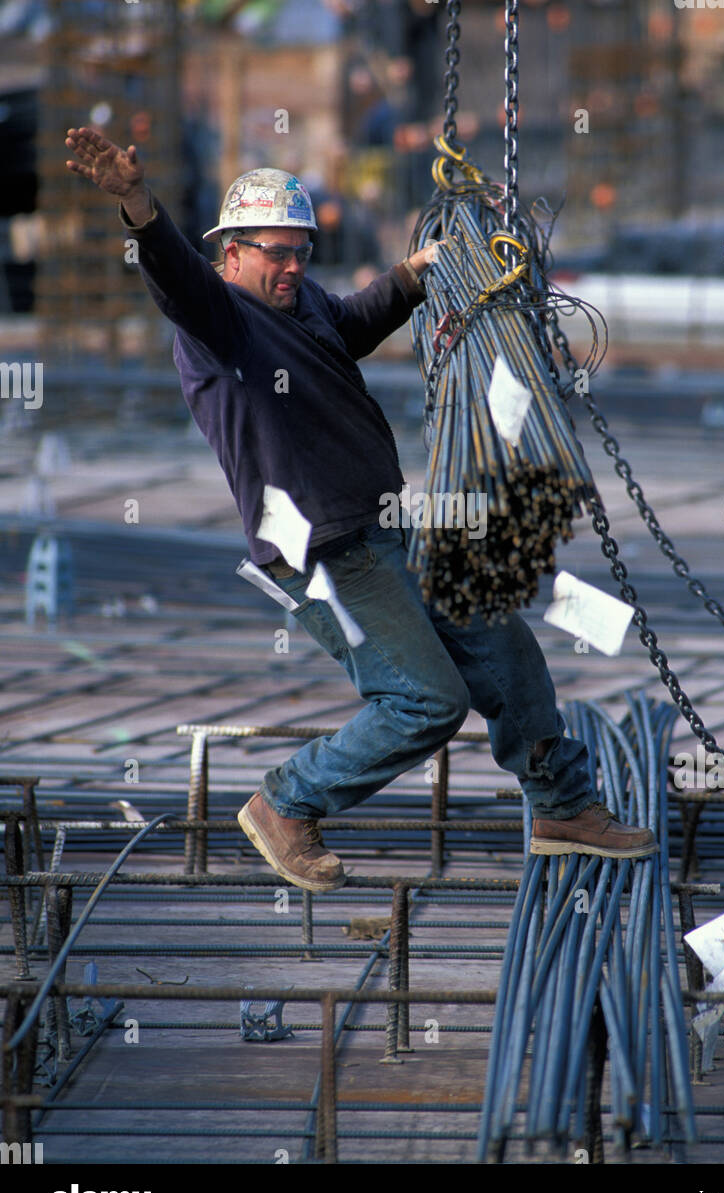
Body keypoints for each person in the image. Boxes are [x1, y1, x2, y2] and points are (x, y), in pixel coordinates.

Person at [64, 125, 657, 892]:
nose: (290, 267)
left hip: (388, 525)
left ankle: (563, 808)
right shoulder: (216, 321)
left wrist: (413, 275)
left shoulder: (299, 302)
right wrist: (140, 206)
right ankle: (285, 804)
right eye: (274, 253)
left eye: (300, 251)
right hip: (323, 551)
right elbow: (173, 276)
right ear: (231, 252)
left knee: (508, 653)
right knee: (424, 700)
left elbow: (348, 324)